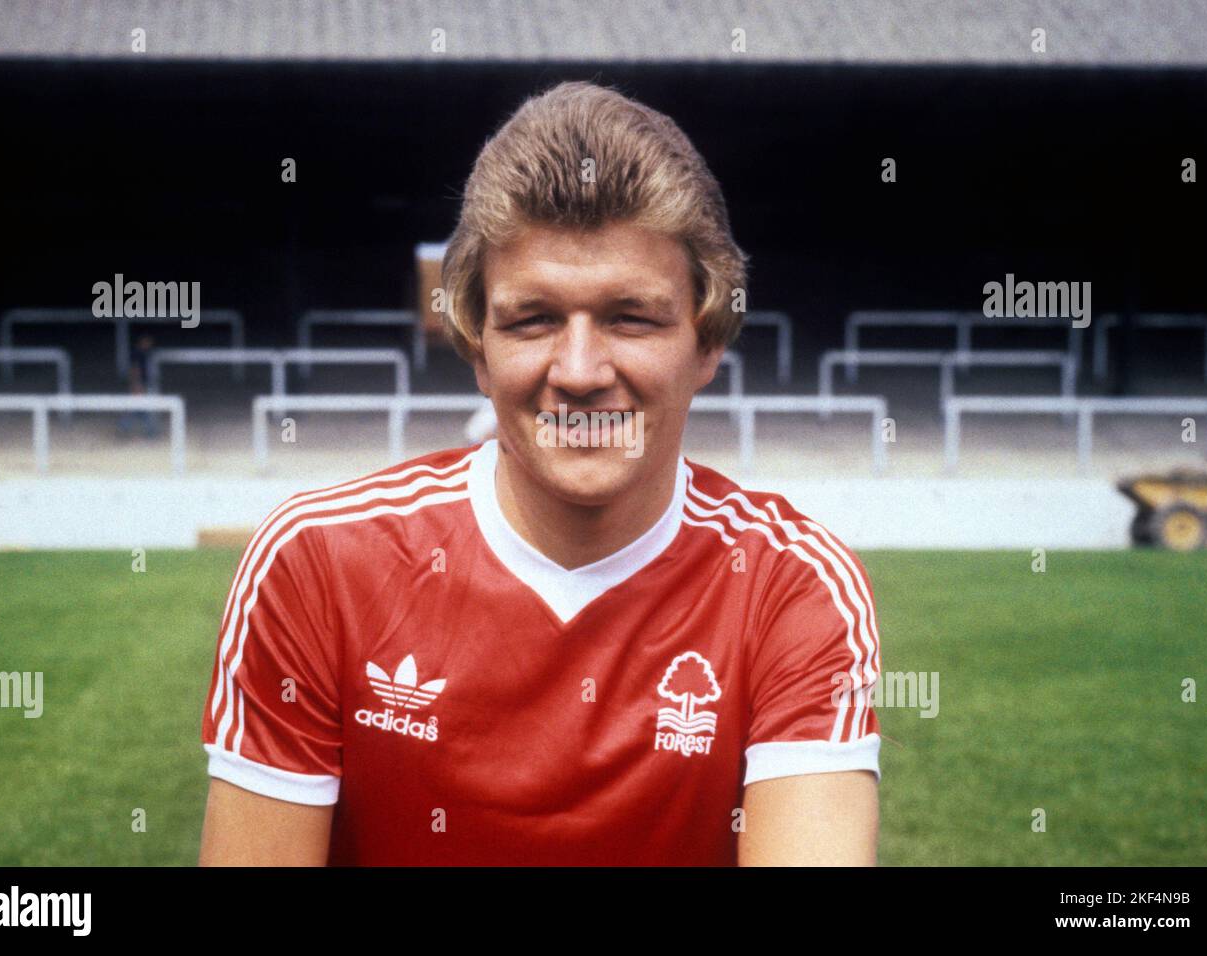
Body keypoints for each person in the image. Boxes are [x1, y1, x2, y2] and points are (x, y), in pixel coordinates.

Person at [198, 81, 881, 866]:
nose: (581, 371)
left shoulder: (792, 586)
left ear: (708, 344)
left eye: (630, 317)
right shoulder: (317, 562)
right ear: (478, 349)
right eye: (533, 320)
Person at [117, 333, 158, 438]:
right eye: (148, 341)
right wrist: (137, 385)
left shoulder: (144, 353)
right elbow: (134, 370)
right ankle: (125, 427)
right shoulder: (137, 354)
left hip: (142, 385)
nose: (150, 344)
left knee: (140, 409)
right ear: (142, 341)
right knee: (138, 409)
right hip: (139, 385)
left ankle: (149, 431)